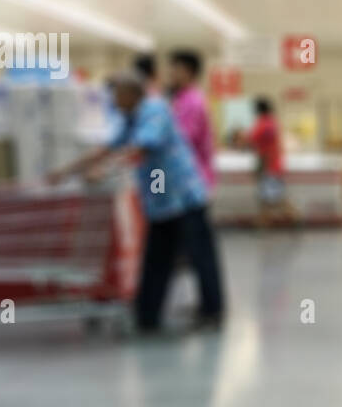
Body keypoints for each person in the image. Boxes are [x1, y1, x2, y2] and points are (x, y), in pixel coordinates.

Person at [50, 69, 224, 333]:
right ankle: (147, 315)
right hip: (162, 203)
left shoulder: (155, 110)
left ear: (132, 94)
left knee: (200, 257)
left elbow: (143, 147)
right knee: (157, 258)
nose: (114, 102)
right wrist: (66, 172)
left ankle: (212, 312)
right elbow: (108, 148)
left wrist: (104, 172)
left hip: (184, 196)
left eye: (117, 96)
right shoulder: (130, 116)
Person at [235, 96, 290, 227]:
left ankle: (291, 215)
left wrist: (241, 141)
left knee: (273, 196)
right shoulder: (273, 122)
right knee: (267, 195)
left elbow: (250, 139)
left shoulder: (263, 123)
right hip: (274, 162)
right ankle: (263, 221)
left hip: (268, 163)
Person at [166, 49, 215, 192]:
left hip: (192, 178)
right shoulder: (179, 98)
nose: (171, 73)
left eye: (175, 69)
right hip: (186, 177)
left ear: (188, 71)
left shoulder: (192, 101)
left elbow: (185, 139)